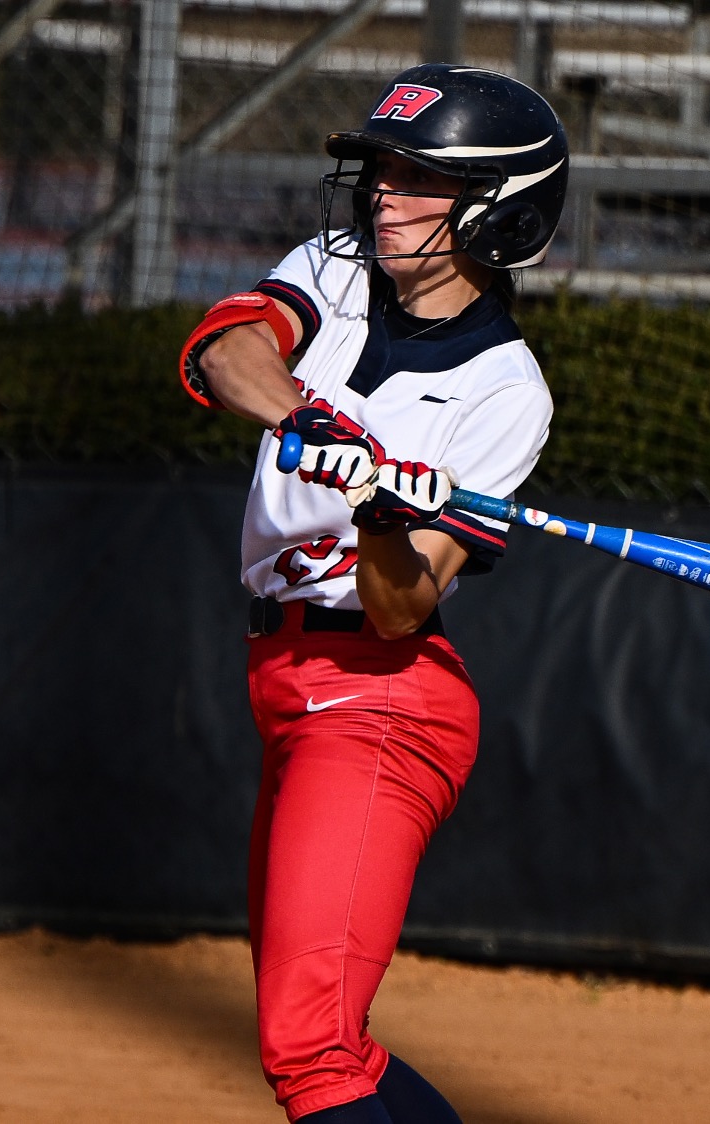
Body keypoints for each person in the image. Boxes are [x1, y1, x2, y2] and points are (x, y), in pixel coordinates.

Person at [176, 63, 568, 1124]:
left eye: (414, 178)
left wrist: (383, 509)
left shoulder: (503, 394)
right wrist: (319, 426)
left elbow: (399, 606)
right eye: (380, 173)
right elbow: (227, 351)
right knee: (320, 1036)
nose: (379, 195)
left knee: (305, 1043)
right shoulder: (336, 276)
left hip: (381, 698)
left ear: (497, 211)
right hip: (287, 682)